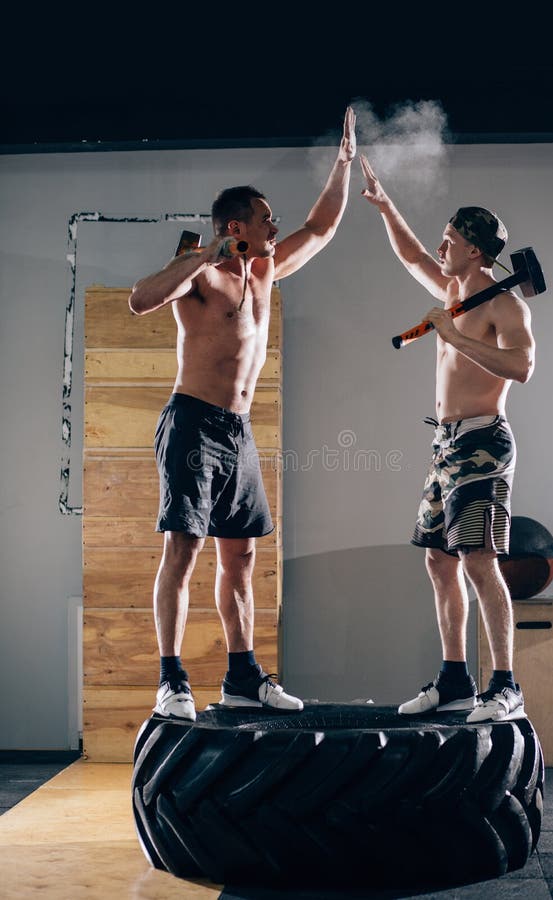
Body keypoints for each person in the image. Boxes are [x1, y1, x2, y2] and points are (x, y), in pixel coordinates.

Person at [128, 107, 356, 720]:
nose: (276, 225)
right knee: (183, 547)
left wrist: (342, 165)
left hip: (238, 432)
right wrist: (204, 255)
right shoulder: (201, 278)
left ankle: (242, 676)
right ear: (237, 225)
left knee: (242, 555)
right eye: (265, 218)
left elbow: (323, 226)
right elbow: (139, 301)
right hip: (193, 422)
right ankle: (172, 681)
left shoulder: (266, 271)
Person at [360, 154, 535, 723]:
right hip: (446, 445)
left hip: (484, 442)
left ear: (477, 251)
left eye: (451, 239)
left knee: (479, 561)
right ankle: (455, 680)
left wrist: (451, 337)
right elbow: (412, 253)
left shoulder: (505, 303)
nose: (441, 247)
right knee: (439, 561)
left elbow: (522, 367)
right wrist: (386, 205)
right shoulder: (453, 289)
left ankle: (505, 686)